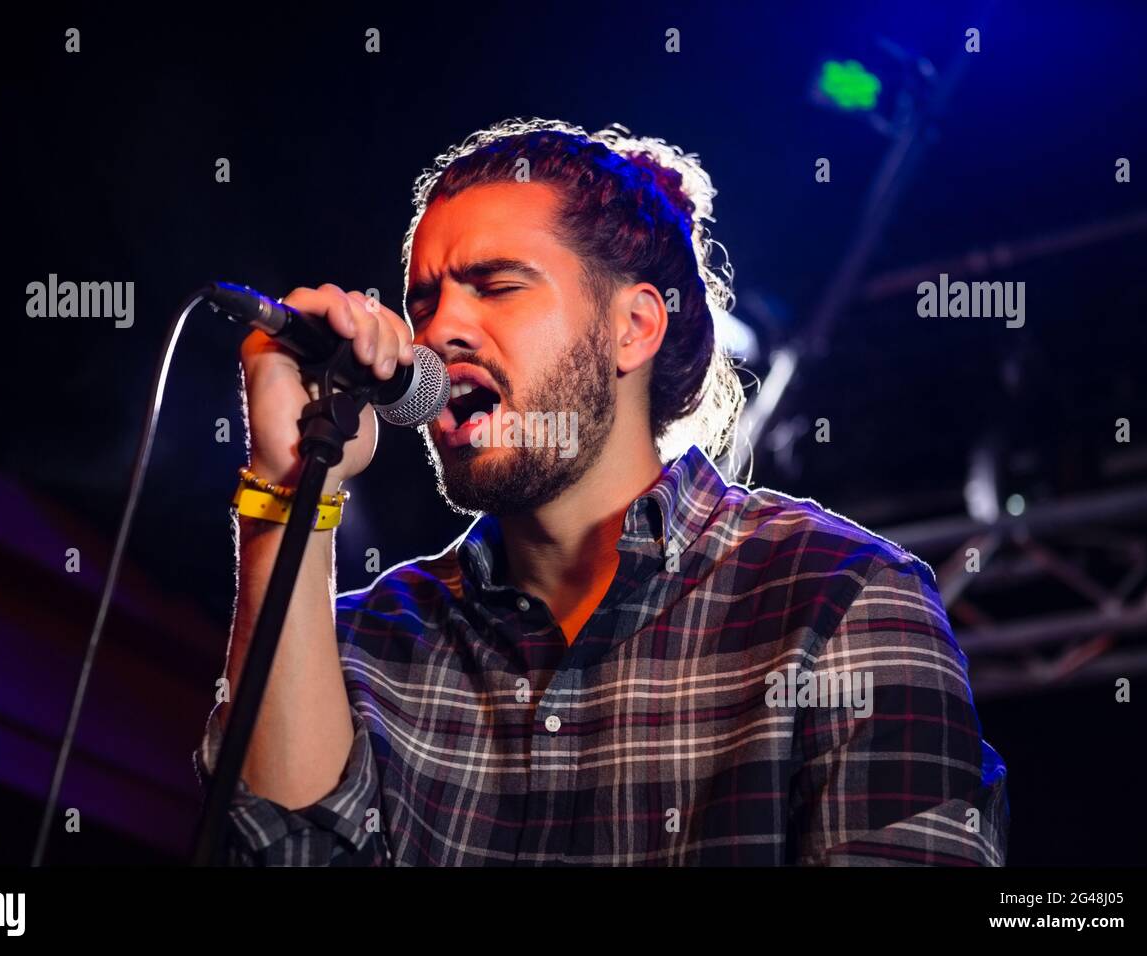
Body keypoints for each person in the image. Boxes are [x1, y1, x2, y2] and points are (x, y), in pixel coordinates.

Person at [196, 118, 1009, 866]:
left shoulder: (839, 599)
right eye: (425, 301)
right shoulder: (361, 642)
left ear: (635, 328)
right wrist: (287, 482)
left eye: (497, 285)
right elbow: (277, 854)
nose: (438, 332)